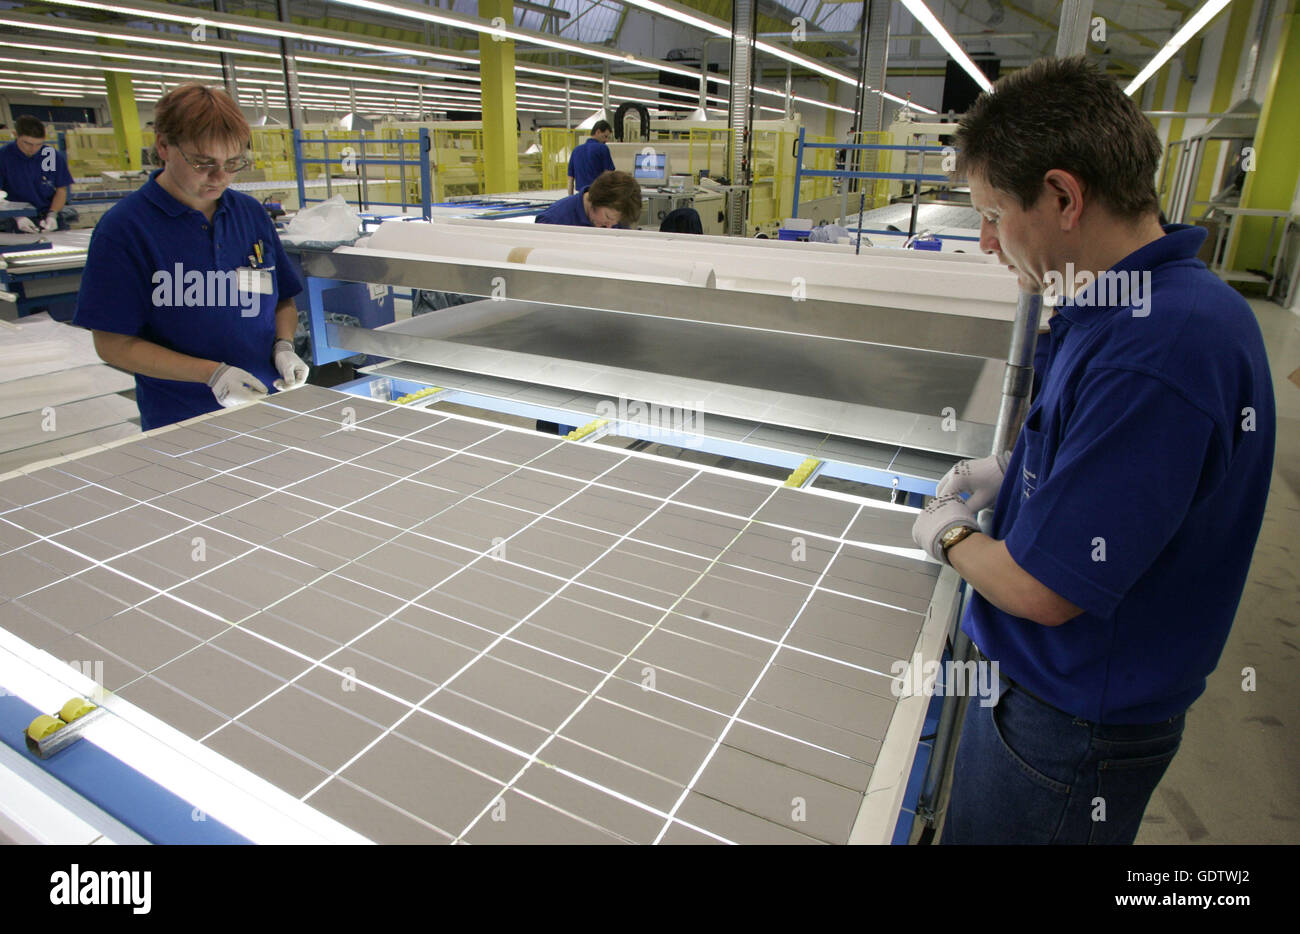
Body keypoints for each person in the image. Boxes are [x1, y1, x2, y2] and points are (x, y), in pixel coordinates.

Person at [910, 56, 1275, 845]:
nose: (984, 241)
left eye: (993, 213)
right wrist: (1014, 474)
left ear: (1064, 196)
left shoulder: (1160, 349)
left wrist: (946, 532)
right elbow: (1104, 460)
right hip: (1053, 704)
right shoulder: (1122, 304)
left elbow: (1045, 591)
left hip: (1068, 728)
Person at [74, 83, 308, 431]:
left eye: (233, 163)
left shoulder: (250, 215)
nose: (220, 177)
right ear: (164, 146)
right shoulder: (126, 229)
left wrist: (284, 346)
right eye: (203, 163)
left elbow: (280, 300)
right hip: (181, 419)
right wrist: (212, 374)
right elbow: (112, 344)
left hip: (266, 404)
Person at [0, 115, 76, 233]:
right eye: (28, 143)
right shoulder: (3, 157)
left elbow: (61, 190)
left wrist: (52, 215)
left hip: (46, 215)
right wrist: (17, 216)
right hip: (14, 219)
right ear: (15, 135)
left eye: (39, 144)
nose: (33, 149)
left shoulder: (51, 156)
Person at [536, 170, 641, 229]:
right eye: (607, 216)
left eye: (615, 222)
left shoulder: (617, 218)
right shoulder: (553, 221)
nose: (609, 227)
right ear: (595, 199)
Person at [566, 120, 615, 195]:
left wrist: (570, 199)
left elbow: (570, 178)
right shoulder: (602, 148)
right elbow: (609, 174)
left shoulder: (576, 150)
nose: (606, 140)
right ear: (598, 132)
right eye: (605, 136)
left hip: (581, 196)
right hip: (598, 195)